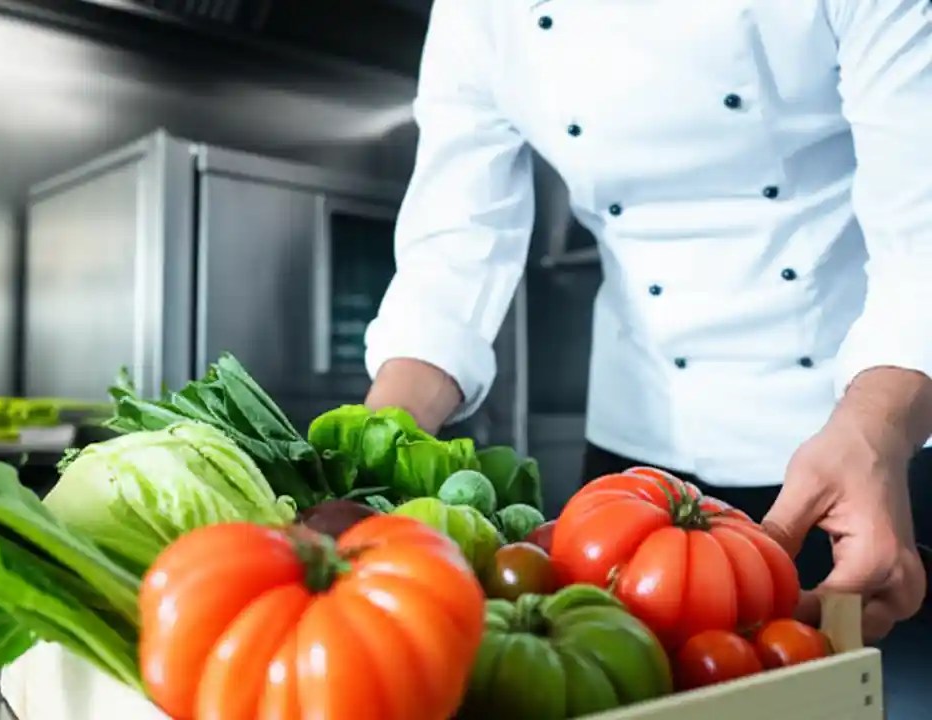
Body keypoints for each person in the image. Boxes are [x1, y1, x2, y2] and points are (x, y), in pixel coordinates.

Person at [362, 0, 931, 642]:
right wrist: (379, 443)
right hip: (634, 469)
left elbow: (922, 234)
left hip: (861, 443)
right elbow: (454, 247)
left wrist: (878, 427)